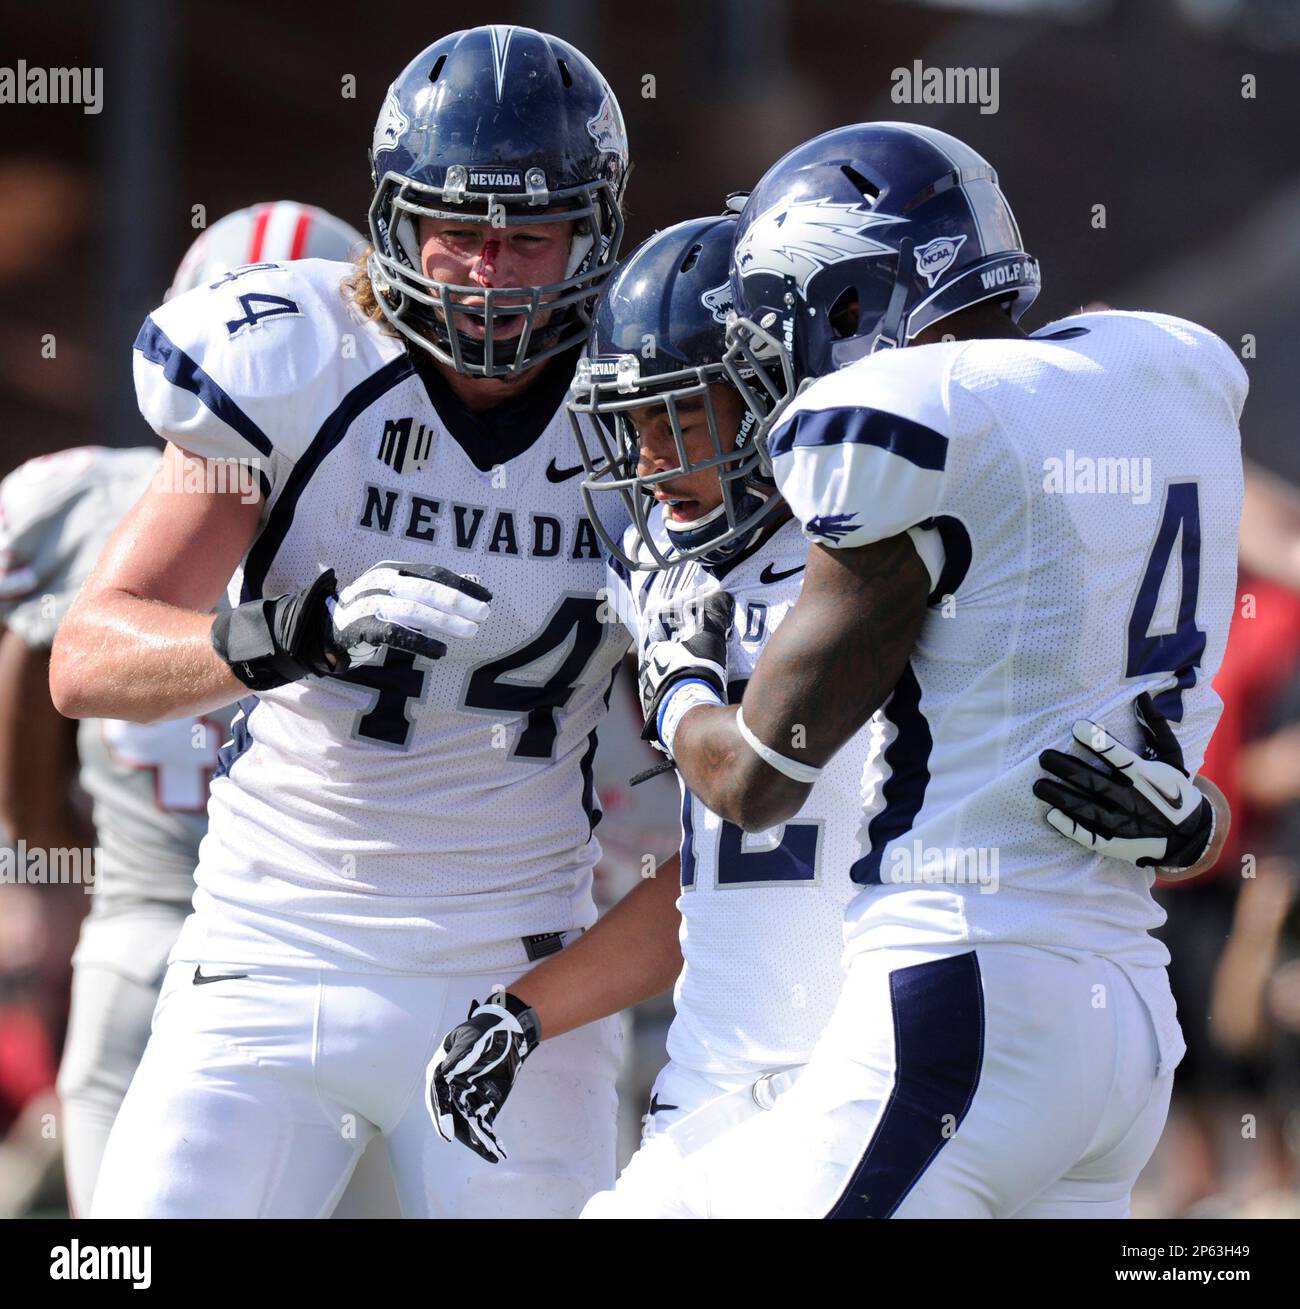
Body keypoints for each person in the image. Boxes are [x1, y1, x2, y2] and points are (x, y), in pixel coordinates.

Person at [604, 122, 1241, 1218]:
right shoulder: (1160, 366)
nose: (770, 359)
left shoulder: (908, 420)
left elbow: (758, 777)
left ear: (851, 302)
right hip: (1127, 1013)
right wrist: (1203, 824)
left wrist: (675, 677)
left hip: (961, 993)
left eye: (778, 318)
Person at [50, 25, 633, 1220]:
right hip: (269, 940)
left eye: (529, 239)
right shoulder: (302, 359)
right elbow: (88, 653)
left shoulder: (641, 401)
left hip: (517, 964)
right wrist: (273, 637)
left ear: (596, 230)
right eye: (458, 233)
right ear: (393, 219)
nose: (486, 272)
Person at [0, 202, 368, 1216]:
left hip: (150, 942)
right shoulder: (397, 516)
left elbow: (34, 680)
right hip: (327, 950)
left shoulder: (78, 501)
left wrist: (52, 855)